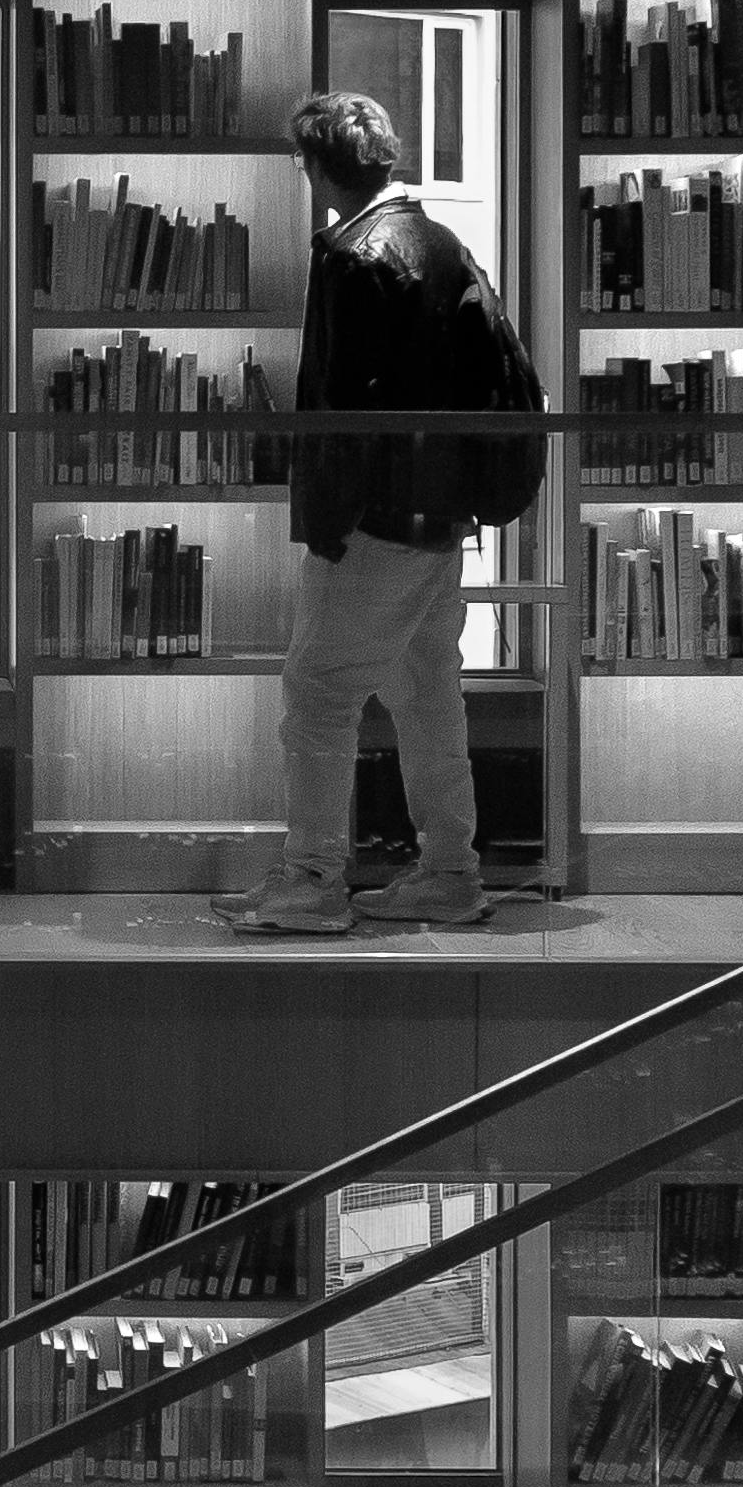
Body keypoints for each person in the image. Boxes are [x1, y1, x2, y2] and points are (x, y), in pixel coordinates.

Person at [234, 89, 538, 938]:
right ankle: (449, 869)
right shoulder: (444, 246)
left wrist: (330, 519)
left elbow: (344, 409)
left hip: (374, 520)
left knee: (318, 695)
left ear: (319, 166)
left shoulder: (355, 255)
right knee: (427, 693)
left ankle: (313, 879)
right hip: (443, 521)